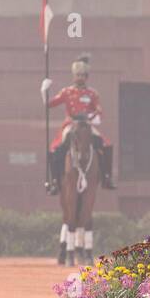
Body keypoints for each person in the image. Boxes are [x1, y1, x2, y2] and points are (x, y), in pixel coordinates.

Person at [41, 54, 115, 193]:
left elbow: (98, 109)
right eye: (78, 75)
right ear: (74, 76)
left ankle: (106, 177)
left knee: (106, 145)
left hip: (87, 124)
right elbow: (49, 104)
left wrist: (94, 117)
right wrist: (44, 90)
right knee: (55, 149)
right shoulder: (67, 92)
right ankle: (55, 181)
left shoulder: (92, 93)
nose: (80, 77)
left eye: (83, 75)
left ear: (87, 77)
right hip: (71, 124)